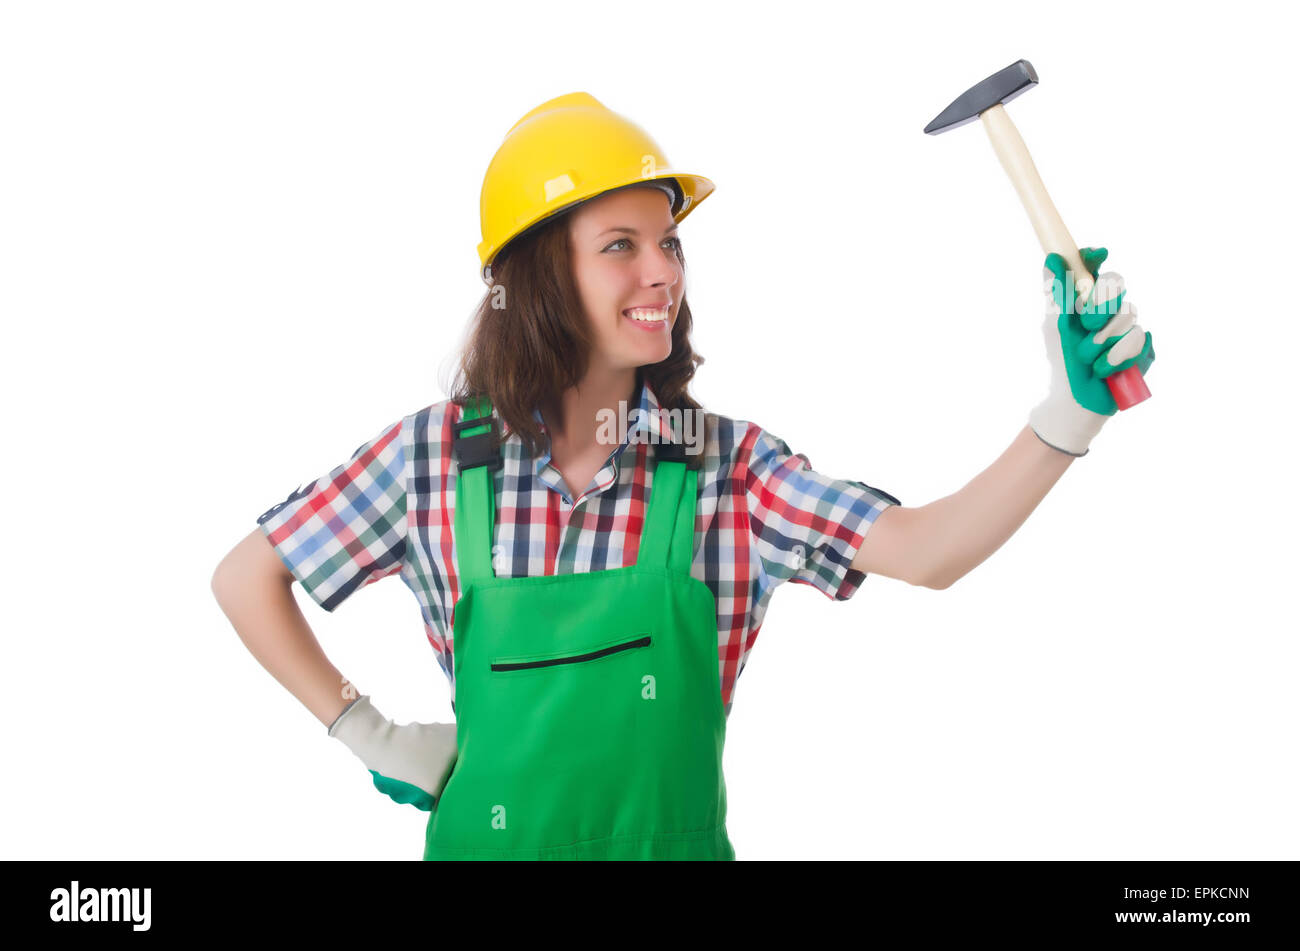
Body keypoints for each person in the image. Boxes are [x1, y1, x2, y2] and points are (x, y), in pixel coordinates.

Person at [211, 92, 1154, 861]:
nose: (661, 270)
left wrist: (1068, 414)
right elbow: (247, 576)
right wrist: (368, 731)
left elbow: (929, 550)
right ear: (539, 278)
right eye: (620, 245)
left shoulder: (723, 469)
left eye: (670, 243)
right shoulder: (433, 460)